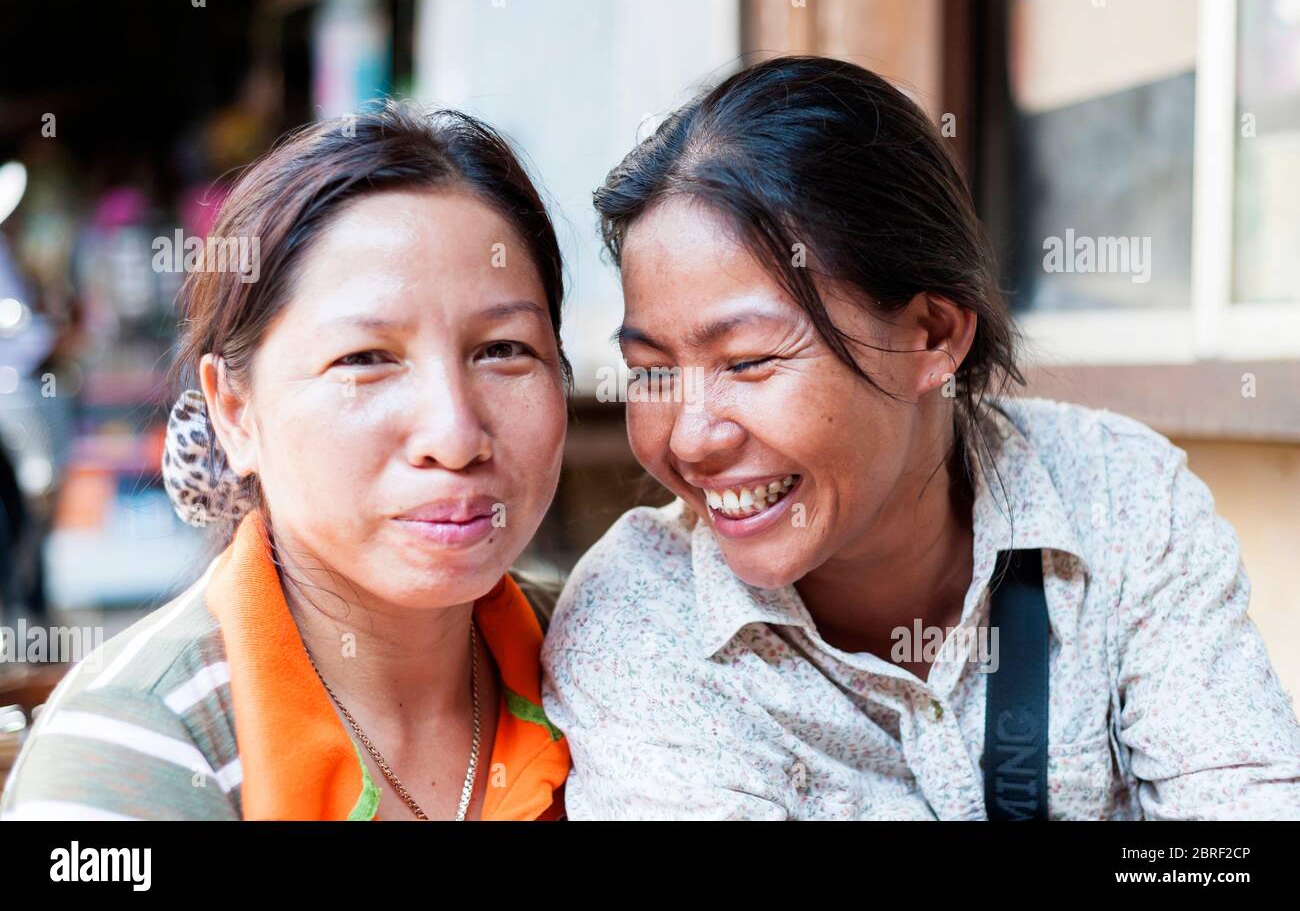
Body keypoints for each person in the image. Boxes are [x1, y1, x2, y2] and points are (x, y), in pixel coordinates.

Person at [541, 55, 1300, 820]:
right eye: (652, 370)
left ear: (932, 335)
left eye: (748, 360)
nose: (692, 438)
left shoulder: (1119, 497)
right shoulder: (640, 622)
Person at [2, 102, 572, 820]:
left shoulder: (606, 659)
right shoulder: (134, 749)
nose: (455, 435)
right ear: (235, 411)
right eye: (365, 359)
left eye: (503, 350)